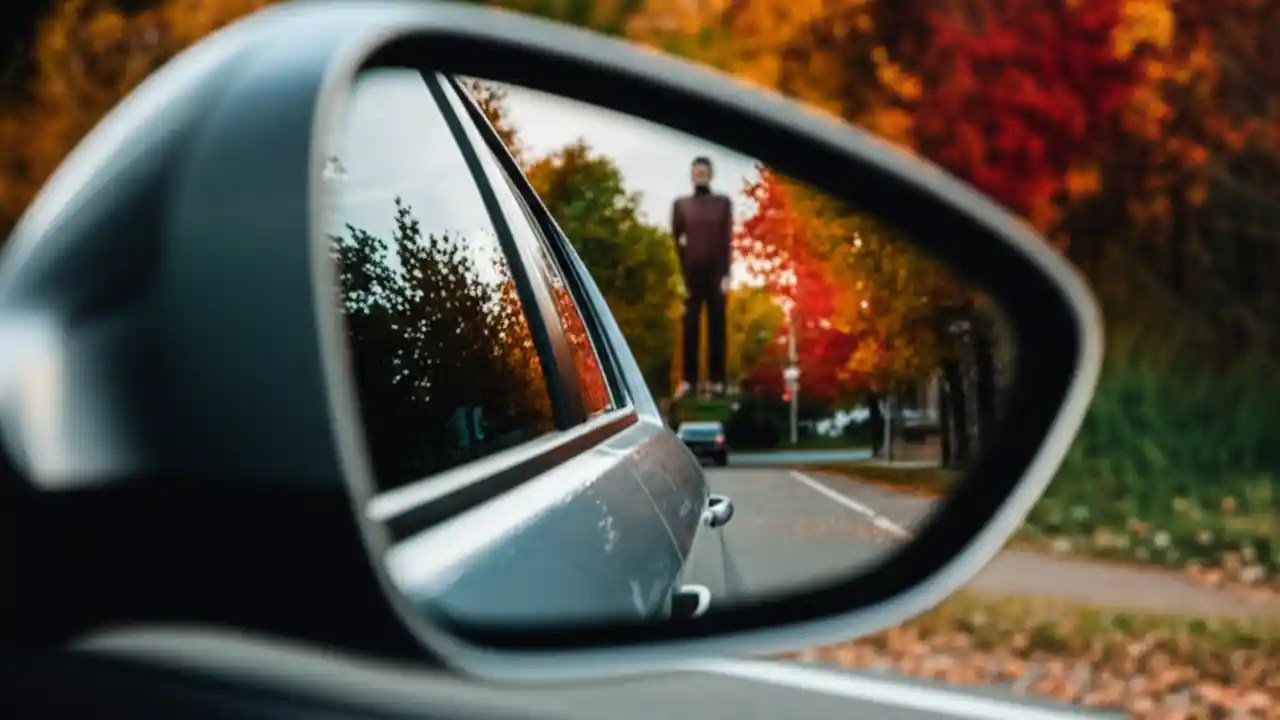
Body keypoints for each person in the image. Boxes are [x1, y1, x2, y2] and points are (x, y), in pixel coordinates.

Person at [671, 156, 732, 399]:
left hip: (716, 272)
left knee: (717, 326)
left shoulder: (722, 203)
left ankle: (717, 381)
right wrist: (681, 273)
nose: (700, 175)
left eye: (704, 172)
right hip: (691, 273)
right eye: (697, 172)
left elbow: (727, 239)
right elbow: (676, 239)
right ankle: (688, 381)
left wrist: (727, 273)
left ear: (711, 174)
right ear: (691, 175)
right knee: (690, 327)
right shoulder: (681, 205)